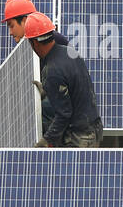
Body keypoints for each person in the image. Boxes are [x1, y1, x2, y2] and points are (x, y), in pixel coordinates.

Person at [23, 12, 104, 148]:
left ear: (34, 42)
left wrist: (46, 140)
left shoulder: (52, 71)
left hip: (79, 138)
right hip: (94, 127)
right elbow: (75, 87)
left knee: (73, 169)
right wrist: (49, 92)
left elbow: (64, 114)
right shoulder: (69, 52)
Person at [2, 0, 72, 47]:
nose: (10, 33)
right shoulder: (32, 45)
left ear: (25, 21)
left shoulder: (48, 42)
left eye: (11, 26)